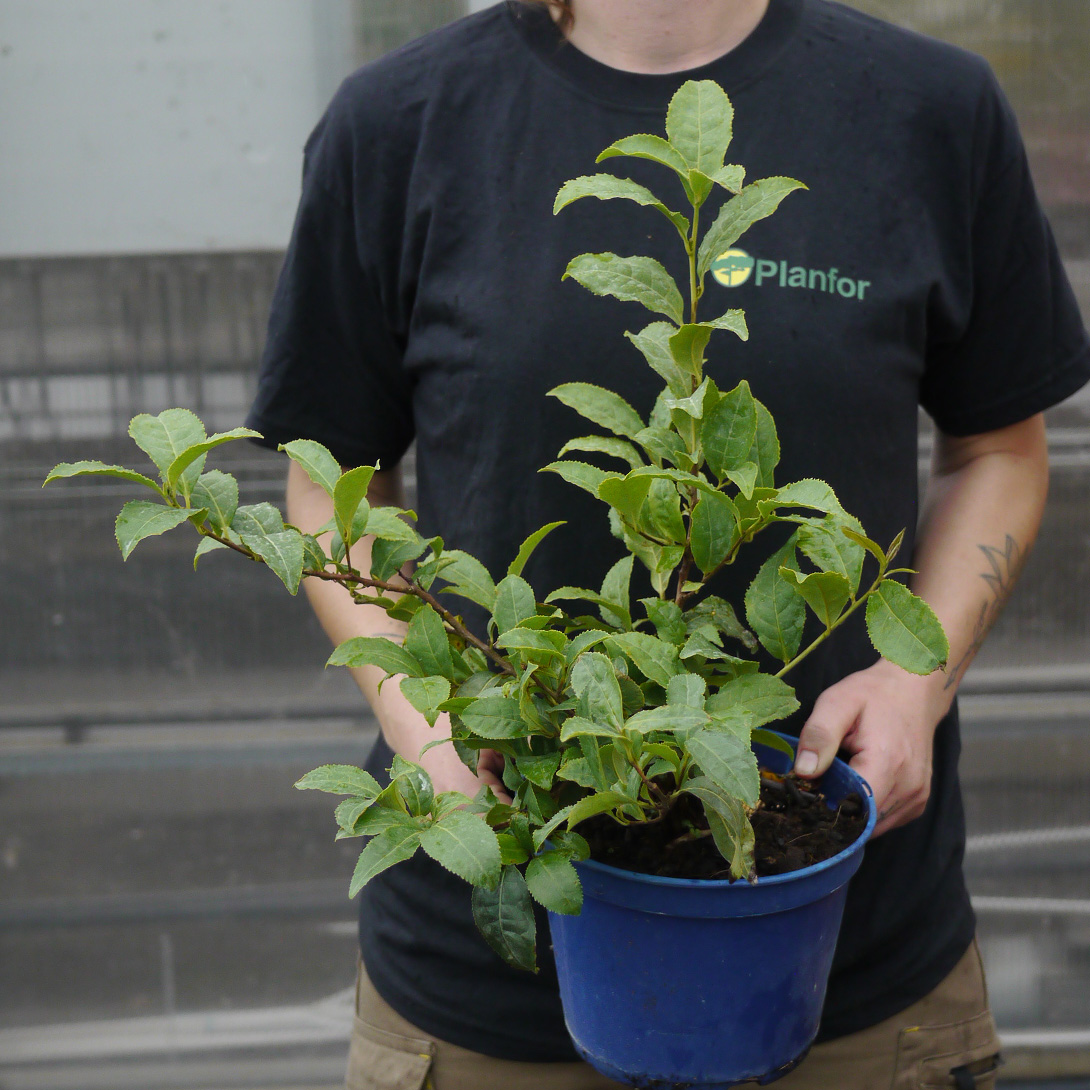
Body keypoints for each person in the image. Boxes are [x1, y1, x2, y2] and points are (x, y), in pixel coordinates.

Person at [246, 1, 1090, 1087]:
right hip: (489, 993)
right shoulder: (400, 122)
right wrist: (426, 726)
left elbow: (998, 450)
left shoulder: (926, 106)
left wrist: (914, 674)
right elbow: (327, 491)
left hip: (852, 958)